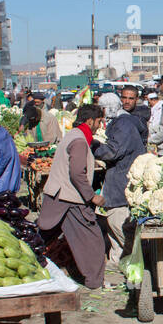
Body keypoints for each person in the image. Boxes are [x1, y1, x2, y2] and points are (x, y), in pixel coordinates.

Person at [38, 104, 107, 290]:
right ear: (90, 120)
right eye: (99, 121)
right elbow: (77, 173)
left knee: (44, 237)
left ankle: (34, 267)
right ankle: (94, 281)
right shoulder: (79, 141)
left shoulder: (73, 134)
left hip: (60, 195)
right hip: (70, 199)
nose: (100, 125)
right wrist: (92, 197)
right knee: (93, 241)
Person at [94, 95, 146, 270]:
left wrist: (95, 147)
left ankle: (132, 256)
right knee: (113, 220)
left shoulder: (123, 124)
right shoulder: (121, 123)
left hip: (122, 176)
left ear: (107, 108)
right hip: (118, 175)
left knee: (118, 220)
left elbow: (113, 151)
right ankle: (117, 259)